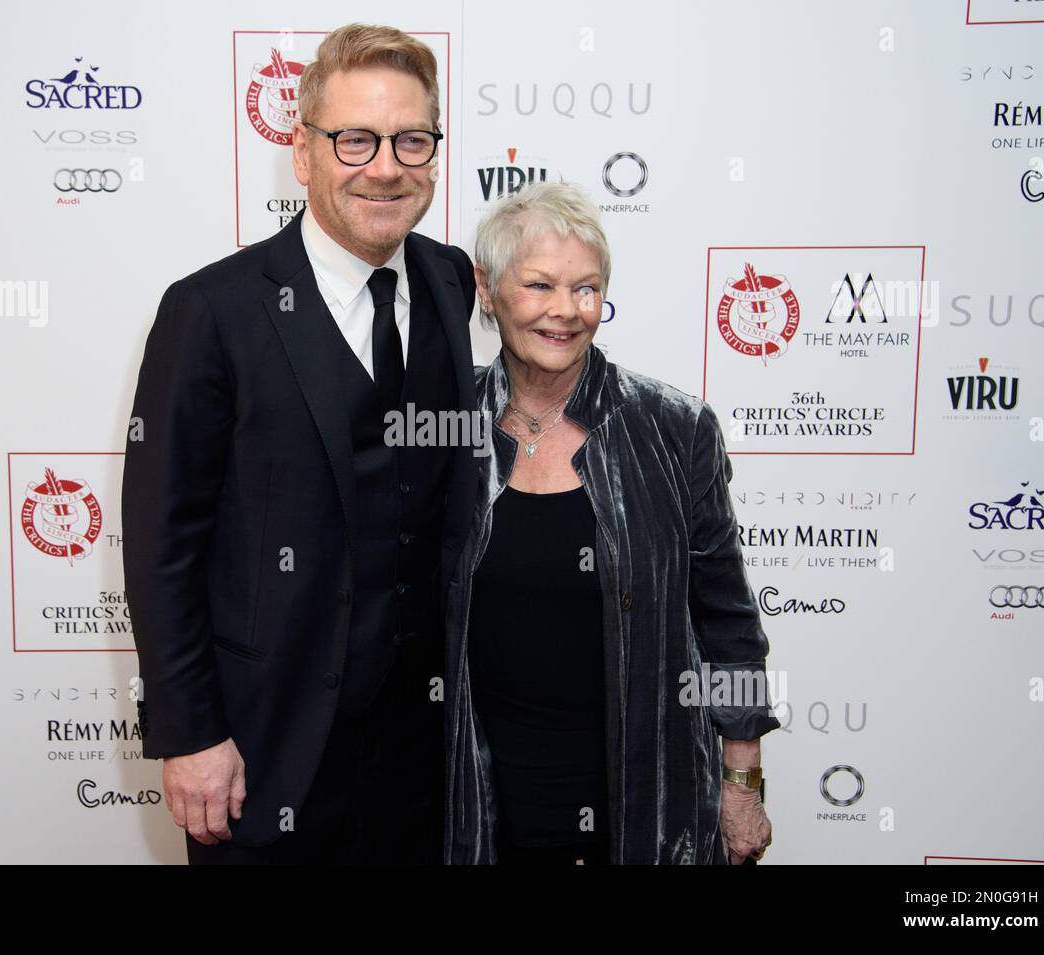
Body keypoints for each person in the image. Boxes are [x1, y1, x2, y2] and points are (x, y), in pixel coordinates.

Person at [122, 23, 477, 864]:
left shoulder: (448, 277)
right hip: (263, 745)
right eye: (354, 138)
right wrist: (190, 732)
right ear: (303, 150)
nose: (385, 166)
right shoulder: (212, 312)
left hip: (421, 756)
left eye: (410, 139)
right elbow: (161, 541)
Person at [444, 181, 780, 865]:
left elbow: (728, 622)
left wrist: (741, 784)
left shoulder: (674, 428)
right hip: (482, 807)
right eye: (539, 285)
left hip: (647, 809)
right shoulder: (446, 429)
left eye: (586, 288)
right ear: (488, 288)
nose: (565, 311)